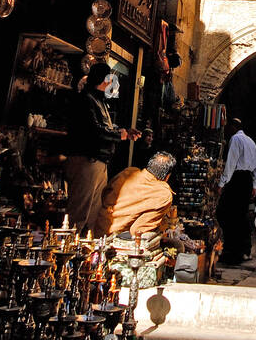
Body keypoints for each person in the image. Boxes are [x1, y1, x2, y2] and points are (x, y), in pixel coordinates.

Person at [65, 62, 138, 235]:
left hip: (99, 162)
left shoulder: (100, 101)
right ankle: (66, 252)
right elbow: (94, 130)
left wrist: (125, 132)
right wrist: (119, 135)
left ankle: (84, 254)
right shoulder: (86, 99)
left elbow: (105, 127)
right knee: (79, 213)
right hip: (87, 161)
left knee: (92, 215)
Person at [95, 151, 176, 240]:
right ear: (167, 176)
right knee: (178, 245)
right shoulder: (163, 194)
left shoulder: (129, 172)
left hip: (97, 228)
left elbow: (105, 193)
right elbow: (138, 230)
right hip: (115, 239)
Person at [216, 117, 256, 267]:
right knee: (241, 215)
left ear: (233, 127)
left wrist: (222, 182)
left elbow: (231, 163)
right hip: (247, 180)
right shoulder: (251, 141)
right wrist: (255, 184)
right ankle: (244, 250)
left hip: (237, 179)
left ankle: (232, 252)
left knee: (228, 215)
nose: (226, 131)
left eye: (228, 127)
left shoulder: (236, 139)